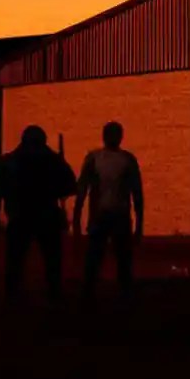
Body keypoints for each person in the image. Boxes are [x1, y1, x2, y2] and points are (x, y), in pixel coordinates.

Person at [0, 125, 76, 305]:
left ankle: (13, 295)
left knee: (16, 259)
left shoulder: (11, 160)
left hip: (20, 214)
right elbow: (69, 185)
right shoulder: (52, 160)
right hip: (45, 214)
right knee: (51, 259)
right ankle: (53, 294)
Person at [74, 121, 144, 301]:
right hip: (114, 214)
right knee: (117, 259)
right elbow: (137, 194)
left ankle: (90, 295)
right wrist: (139, 224)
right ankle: (121, 295)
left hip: (104, 214)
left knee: (99, 258)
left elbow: (82, 189)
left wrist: (76, 218)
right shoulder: (126, 159)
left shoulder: (95, 158)